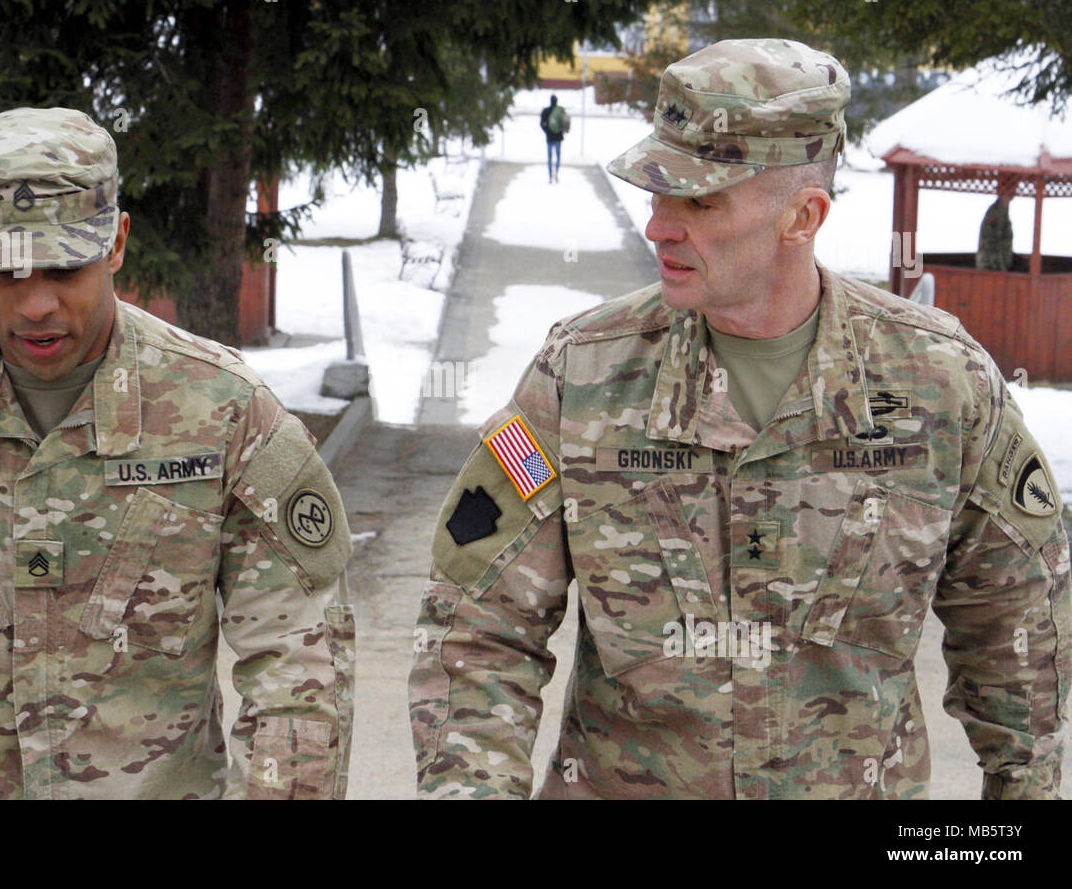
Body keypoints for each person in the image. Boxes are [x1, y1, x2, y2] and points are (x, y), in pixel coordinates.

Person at [409, 39, 1070, 799]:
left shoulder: (941, 385)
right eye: (657, 195)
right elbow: (478, 624)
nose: (660, 227)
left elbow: (1020, 626)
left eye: (698, 201)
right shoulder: (582, 376)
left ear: (802, 216)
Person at [0, 106, 355, 800]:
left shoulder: (224, 413)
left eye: (62, 266)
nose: (36, 304)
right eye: (6, 273)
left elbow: (300, 672)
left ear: (116, 244)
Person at [976, 186, 1015, 271]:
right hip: (991, 266)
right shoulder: (996, 212)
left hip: (997, 264)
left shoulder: (1002, 211)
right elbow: (995, 242)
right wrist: (1001, 268)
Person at [540, 94, 570, 183]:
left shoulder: (546, 111)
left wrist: (547, 131)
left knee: (549, 157)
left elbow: (541, 124)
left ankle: (550, 176)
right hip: (558, 137)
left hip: (549, 137)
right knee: (558, 157)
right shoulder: (560, 110)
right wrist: (563, 130)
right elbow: (566, 122)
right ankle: (556, 173)